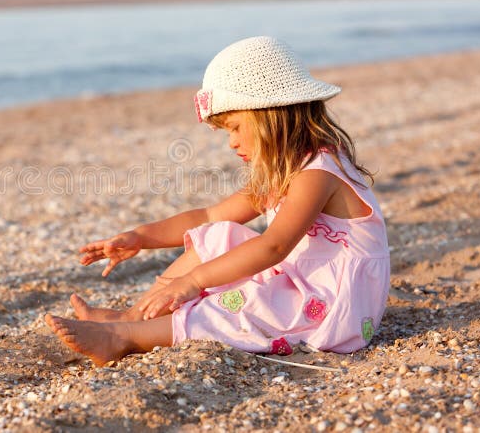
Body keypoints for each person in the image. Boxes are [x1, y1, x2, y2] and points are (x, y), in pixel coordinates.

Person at [44, 36, 390, 366]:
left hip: (334, 307)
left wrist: (193, 281)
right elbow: (211, 214)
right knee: (218, 235)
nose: (231, 142)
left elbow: (274, 247)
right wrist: (141, 238)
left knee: (241, 305)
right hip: (306, 280)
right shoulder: (288, 168)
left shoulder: (317, 173)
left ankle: (123, 337)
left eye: (236, 127)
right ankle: (133, 317)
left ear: (273, 114)